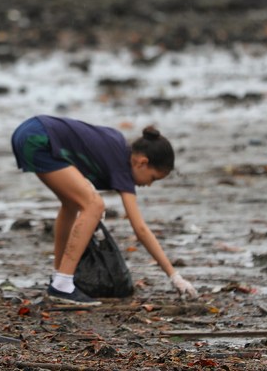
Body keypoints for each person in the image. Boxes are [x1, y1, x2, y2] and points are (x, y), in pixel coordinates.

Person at [11, 115, 198, 305]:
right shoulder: (123, 167)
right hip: (39, 138)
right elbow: (140, 229)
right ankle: (62, 284)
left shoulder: (119, 148)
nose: (149, 185)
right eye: (153, 178)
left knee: (71, 204)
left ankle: (59, 275)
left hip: (29, 131)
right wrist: (174, 276)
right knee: (94, 205)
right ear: (142, 162)